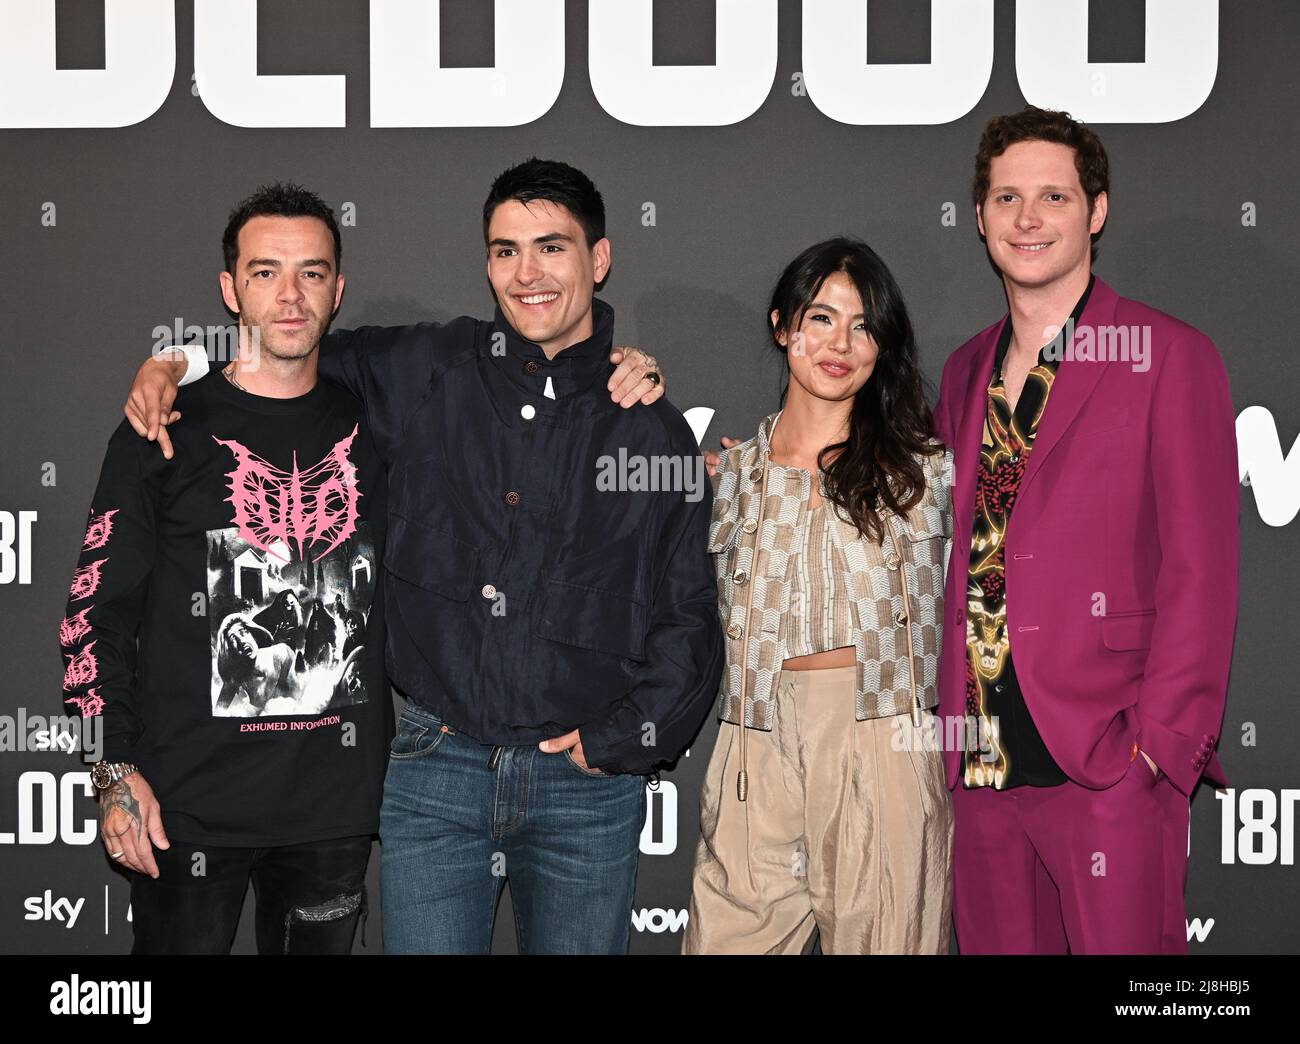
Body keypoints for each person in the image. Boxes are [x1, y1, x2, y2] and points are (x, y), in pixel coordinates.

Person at [121, 158, 723, 954]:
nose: (527, 273)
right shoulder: (427, 369)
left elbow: (688, 616)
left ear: (599, 259)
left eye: (552, 247)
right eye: (505, 250)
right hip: (436, 772)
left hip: (585, 790)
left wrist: (618, 744)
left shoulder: (649, 429)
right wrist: (174, 362)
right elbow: (284, 343)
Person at [932, 107, 1239, 953]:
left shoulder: (1169, 355)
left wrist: (1157, 750)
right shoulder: (963, 370)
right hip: (981, 761)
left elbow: (1201, 573)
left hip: (1106, 759)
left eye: (1054, 196)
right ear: (982, 217)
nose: (1028, 219)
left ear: (1095, 211)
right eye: (1007, 198)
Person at [60, 183, 389, 954]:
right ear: (229, 287)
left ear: (337, 290)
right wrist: (114, 774)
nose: (290, 294)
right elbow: (93, 615)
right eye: (265, 271)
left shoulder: (375, 426)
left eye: (312, 272)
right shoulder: (164, 427)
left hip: (331, 816)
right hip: (184, 811)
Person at [683, 238, 954, 954]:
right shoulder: (731, 473)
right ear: (783, 326)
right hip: (753, 739)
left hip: (881, 737)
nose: (841, 342)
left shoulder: (927, 475)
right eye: (822, 318)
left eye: (863, 325)